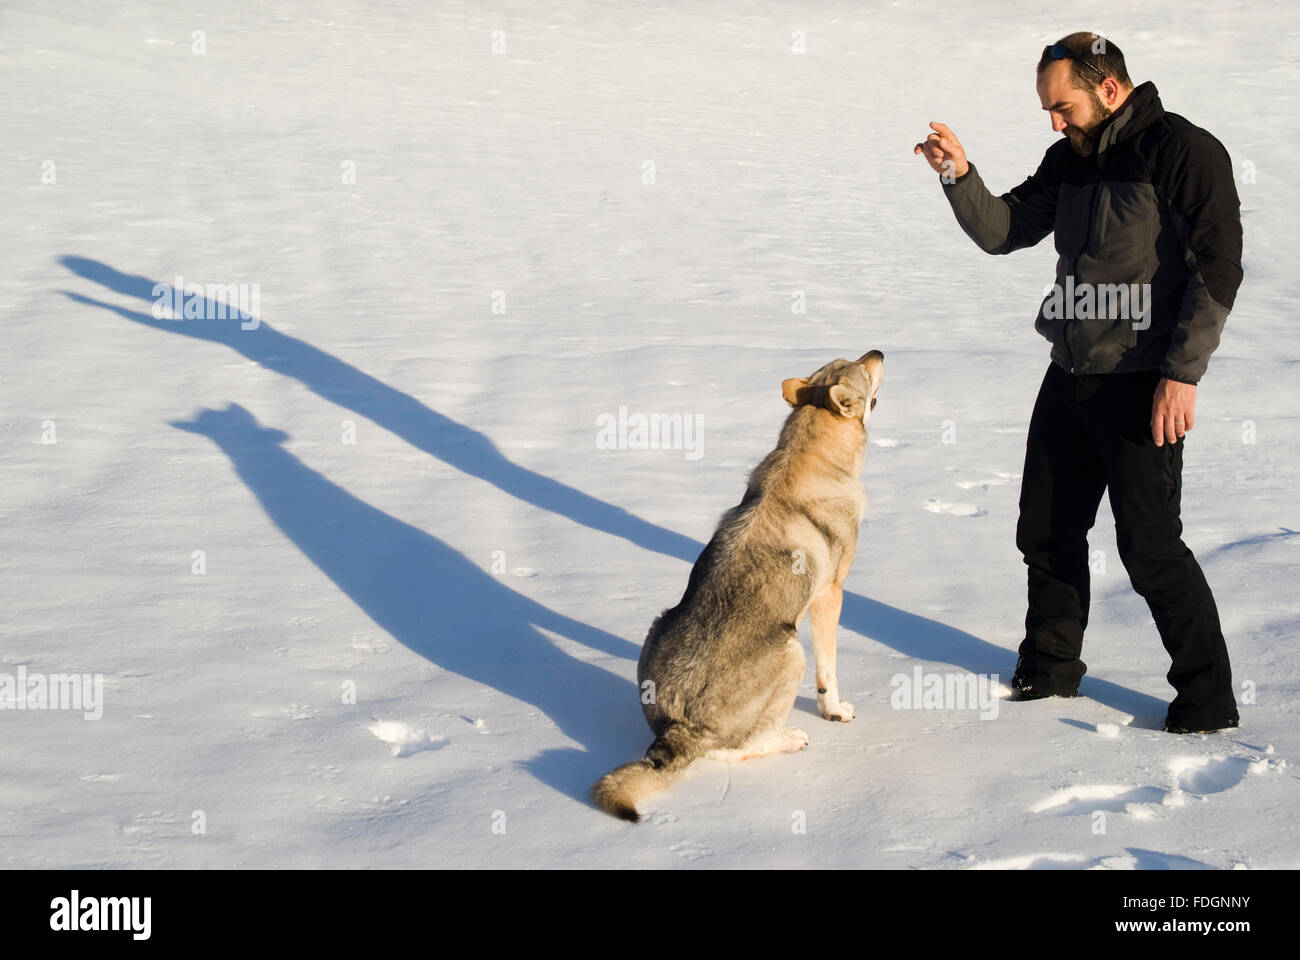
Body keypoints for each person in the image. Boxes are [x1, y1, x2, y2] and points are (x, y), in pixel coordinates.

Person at [913, 32, 1243, 733]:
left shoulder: (1182, 152)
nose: (1055, 122)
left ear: (1110, 88)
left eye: (1062, 106)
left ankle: (1208, 699)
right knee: (1048, 530)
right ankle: (1050, 669)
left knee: (1150, 545)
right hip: (1069, 375)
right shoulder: (1069, 161)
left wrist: (1181, 377)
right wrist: (959, 175)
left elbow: (1218, 271)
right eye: (1048, 112)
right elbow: (1005, 230)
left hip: (1143, 381)